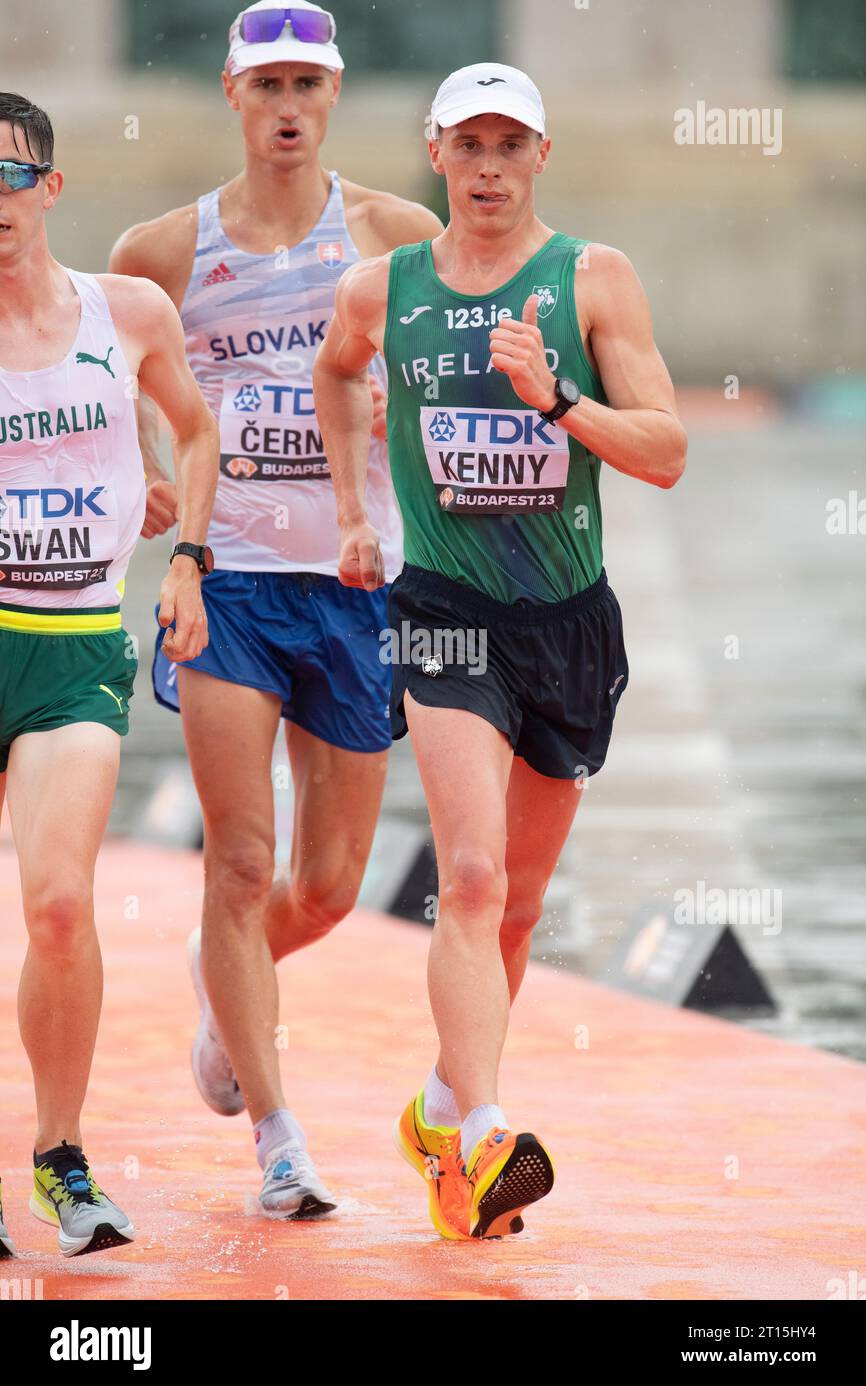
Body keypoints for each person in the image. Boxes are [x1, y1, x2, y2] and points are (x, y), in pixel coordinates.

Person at [313, 62, 688, 1239]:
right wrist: (354, 513)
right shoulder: (383, 288)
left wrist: (555, 402)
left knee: (517, 907)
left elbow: (666, 449)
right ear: (435, 155)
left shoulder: (592, 279)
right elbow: (333, 372)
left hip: (567, 620)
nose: (485, 168)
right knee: (467, 880)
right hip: (444, 611)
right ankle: (482, 1137)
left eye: (506, 147)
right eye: (465, 146)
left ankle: (435, 1111)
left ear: (539, 158)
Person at [109, 1, 443, 1216]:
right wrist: (146, 462)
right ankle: (278, 1139)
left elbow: (446, 356)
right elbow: (103, 352)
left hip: (358, 584)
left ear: (336, 94)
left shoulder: (394, 235)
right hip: (229, 580)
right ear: (233, 96)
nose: (288, 105)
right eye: (268, 86)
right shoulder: (166, 249)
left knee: (328, 883)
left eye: (308, 83)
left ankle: (217, 980)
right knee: (240, 860)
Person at [0, 93, 217, 1256]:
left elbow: (196, 428)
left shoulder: (124, 310)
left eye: (6, 175)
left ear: (49, 190)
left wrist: (183, 549)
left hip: (75, 642)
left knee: (58, 903)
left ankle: (59, 1157)